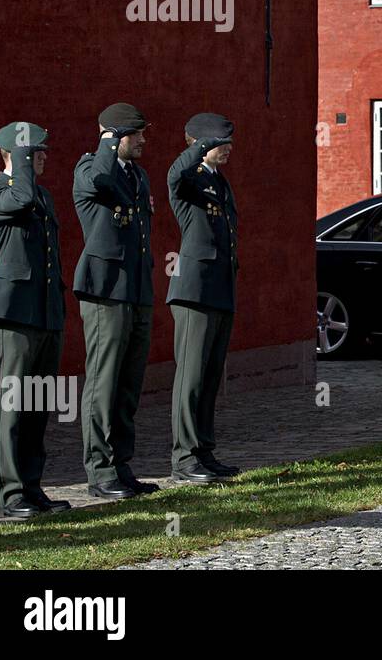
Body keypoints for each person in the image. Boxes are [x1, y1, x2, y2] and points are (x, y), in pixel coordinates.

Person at [0, 123, 70, 518]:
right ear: (16, 156)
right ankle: (10, 493)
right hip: (12, 313)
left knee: (38, 404)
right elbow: (21, 196)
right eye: (36, 152)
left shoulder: (42, 196)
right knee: (12, 404)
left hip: (44, 311)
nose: (45, 157)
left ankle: (31, 487)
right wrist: (21, 164)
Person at [74, 103, 159, 499]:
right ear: (116, 136)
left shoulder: (136, 175)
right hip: (105, 290)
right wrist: (107, 139)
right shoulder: (92, 168)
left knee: (128, 383)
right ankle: (99, 469)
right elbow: (100, 179)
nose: (143, 139)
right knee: (104, 383)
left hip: (135, 289)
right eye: (136, 134)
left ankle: (120, 464)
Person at [166, 114, 240, 484]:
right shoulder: (190, 179)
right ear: (202, 142)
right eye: (220, 142)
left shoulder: (217, 181)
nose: (228, 148)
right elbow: (174, 177)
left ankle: (203, 450)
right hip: (194, 290)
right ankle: (184, 456)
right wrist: (199, 146)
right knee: (191, 376)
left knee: (210, 376)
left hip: (219, 288)